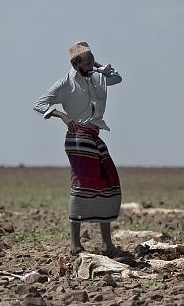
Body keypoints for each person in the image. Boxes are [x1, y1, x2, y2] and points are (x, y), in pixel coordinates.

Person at [33, 41, 124, 256]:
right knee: (82, 186)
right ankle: (75, 244)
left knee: (107, 182)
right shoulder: (66, 83)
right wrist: (61, 115)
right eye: (87, 61)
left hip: (94, 135)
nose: (91, 64)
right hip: (77, 138)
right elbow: (39, 104)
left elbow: (117, 78)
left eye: (93, 59)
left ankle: (106, 243)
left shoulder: (97, 77)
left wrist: (98, 66)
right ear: (76, 65)